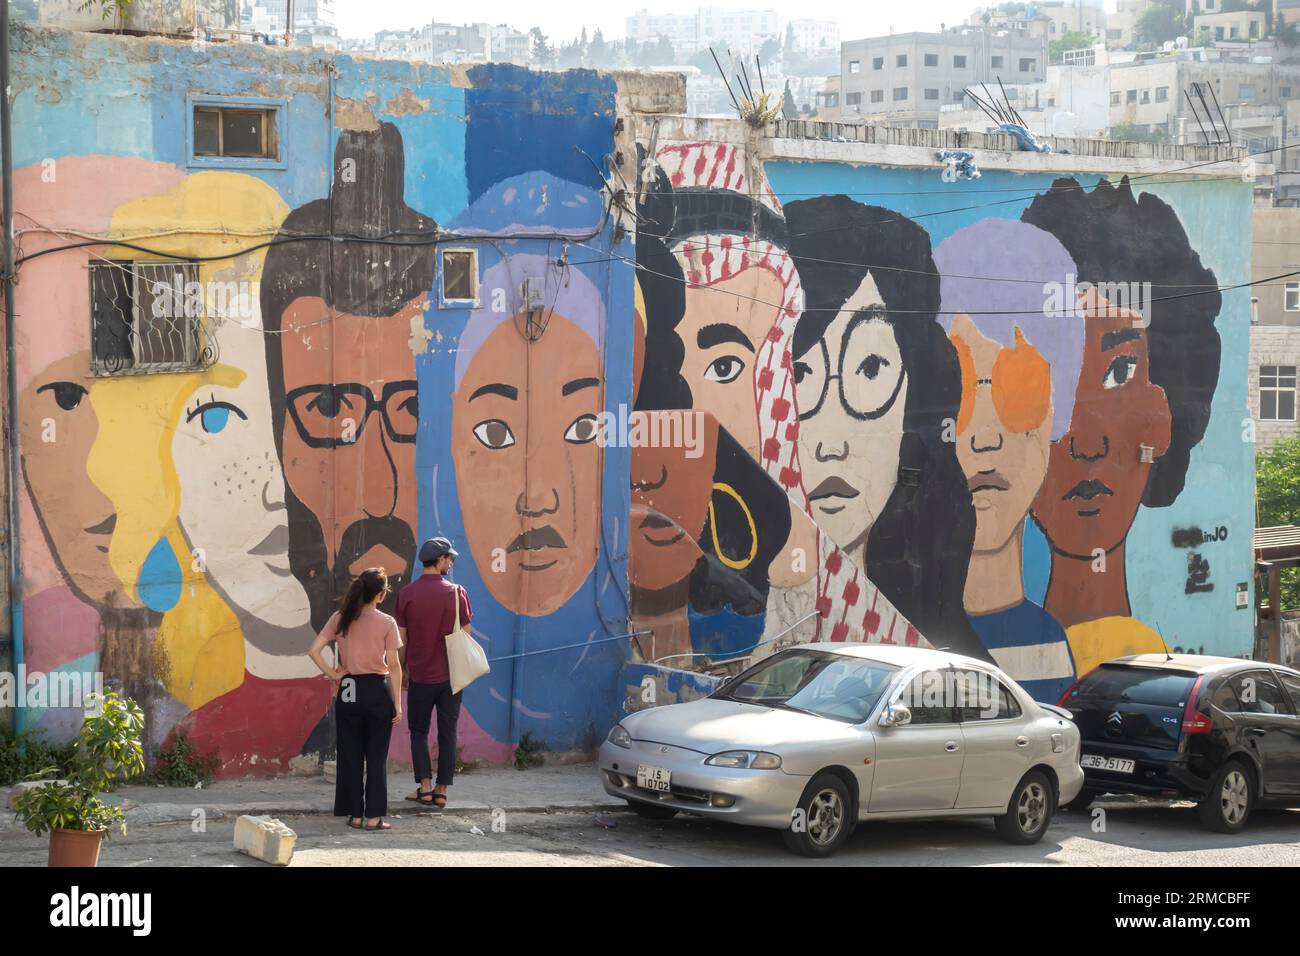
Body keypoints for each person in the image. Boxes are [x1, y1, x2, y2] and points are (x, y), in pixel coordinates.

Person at [308, 568, 403, 831]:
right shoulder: (387, 622)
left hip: (348, 688)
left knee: (350, 756)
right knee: (376, 757)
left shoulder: (341, 617)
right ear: (381, 594)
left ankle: (355, 815)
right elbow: (394, 666)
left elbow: (313, 650)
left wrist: (333, 674)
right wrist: (397, 702)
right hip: (377, 689)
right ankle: (373, 818)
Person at [397, 537, 472, 809]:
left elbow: (401, 640)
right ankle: (441, 791)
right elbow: (465, 633)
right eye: (449, 558)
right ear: (439, 560)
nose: (451, 563)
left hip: (419, 675)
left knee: (418, 730)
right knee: (447, 732)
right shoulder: (456, 592)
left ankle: (424, 787)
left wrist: (403, 670)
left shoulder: (406, 594)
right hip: (451, 676)